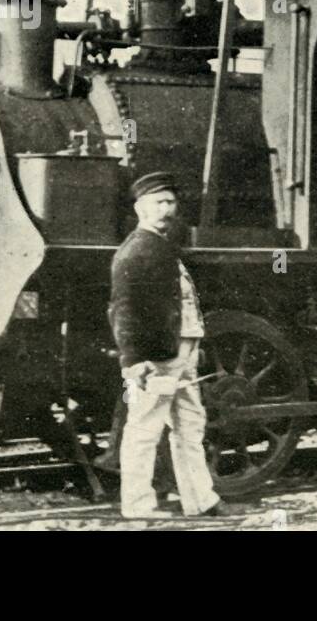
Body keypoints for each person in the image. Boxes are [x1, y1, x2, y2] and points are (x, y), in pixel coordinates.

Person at [109, 171, 229, 519]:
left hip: (180, 352)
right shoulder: (136, 251)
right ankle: (138, 507)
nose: (165, 209)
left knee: (190, 426)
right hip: (158, 358)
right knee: (145, 429)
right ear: (139, 208)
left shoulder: (160, 246)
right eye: (157, 202)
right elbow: (123, 311)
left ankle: (201, 500)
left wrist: (192, 343)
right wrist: (132, 359)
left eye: (170, 202)